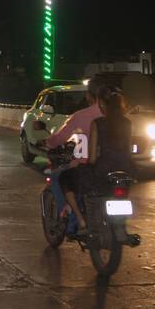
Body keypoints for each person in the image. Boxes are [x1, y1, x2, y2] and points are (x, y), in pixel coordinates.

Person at [63, 85, 133, 235]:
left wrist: (87, 166)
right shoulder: (128, 123)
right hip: (126, 171)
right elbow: (128, 151)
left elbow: (93, 157)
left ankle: (82, 220)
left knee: (65, 178)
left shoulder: (98, 123)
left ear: (101, 103)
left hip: (103, 171)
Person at [42, 80, 102, 234]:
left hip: (87, 166)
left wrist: (48, 142)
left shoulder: (81, 116)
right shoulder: (118, 117)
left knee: (58, 177)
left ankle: (69, 215)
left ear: (89, 96)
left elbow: (60, 138)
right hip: (114, 167)